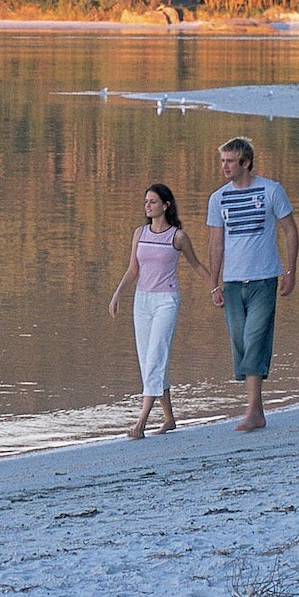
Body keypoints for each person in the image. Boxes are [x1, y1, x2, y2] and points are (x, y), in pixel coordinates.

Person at [204, 136, 299, 432]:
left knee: (255, 339)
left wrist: (290, 271)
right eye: (222, 161)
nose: (224, 166)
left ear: (245, 162)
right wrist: (214, 283)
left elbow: (290, 231)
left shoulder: (271, 190)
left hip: (264, 279)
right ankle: (257, 411)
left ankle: (250, 412)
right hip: (232, 283)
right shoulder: (218, 198)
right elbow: (215, 242)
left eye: (230, 161)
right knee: (241, 344)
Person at [108, 183, 217, 439]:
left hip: (166, 301)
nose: (148, 205)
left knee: (156, 357)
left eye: (153, 201)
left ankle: (141, 422)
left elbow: (197, 266)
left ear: (166, 205)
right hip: (142, 302)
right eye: (146, 201)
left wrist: (216, 288)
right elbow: (133, 269)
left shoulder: (177, 236)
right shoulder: (140, 233)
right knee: (149, 361)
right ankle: (169, 418)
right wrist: (117, 294)